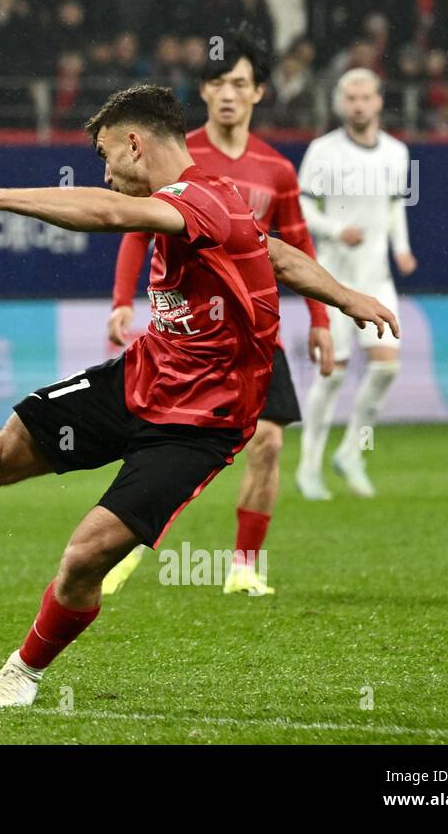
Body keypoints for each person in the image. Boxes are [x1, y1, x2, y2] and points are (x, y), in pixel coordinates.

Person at [0, 84, 397, 707]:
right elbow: (277, 253)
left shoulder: (197, 199)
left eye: (105, 154)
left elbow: (104, 213)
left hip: (201, 424)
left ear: (135, 144)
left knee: (83, 558)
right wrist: (346, 296)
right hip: (140, 378)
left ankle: (23, 670)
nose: (104, 170)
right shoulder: (221, 202)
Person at [104, 29, 333, 597]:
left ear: (258, 93)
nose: (228, 94)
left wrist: (323, 322)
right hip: (191, 340)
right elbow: (134, 225)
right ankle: (123, 546)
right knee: (173, 452)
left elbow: (297, 247)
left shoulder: (277, 169)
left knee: (272, 442)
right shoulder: (182, 156)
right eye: (217, 83)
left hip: (255, 334)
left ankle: (244, 568)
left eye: (240, 83)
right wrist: (120, 301)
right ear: (202, 92)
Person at [295, 68, 417, 499]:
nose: (359, 104)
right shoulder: (323, 151)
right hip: (333, 280)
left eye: (366, 97)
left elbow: (394, 206)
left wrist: (401, 247)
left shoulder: (397, 153)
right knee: (331, 377)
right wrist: (333, 229)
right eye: (351, 97)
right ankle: (308, 468)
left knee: (387, 366)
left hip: (377, 278)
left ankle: (351, 453)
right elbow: (302, 207)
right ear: (340, 104)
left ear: (379, 101)